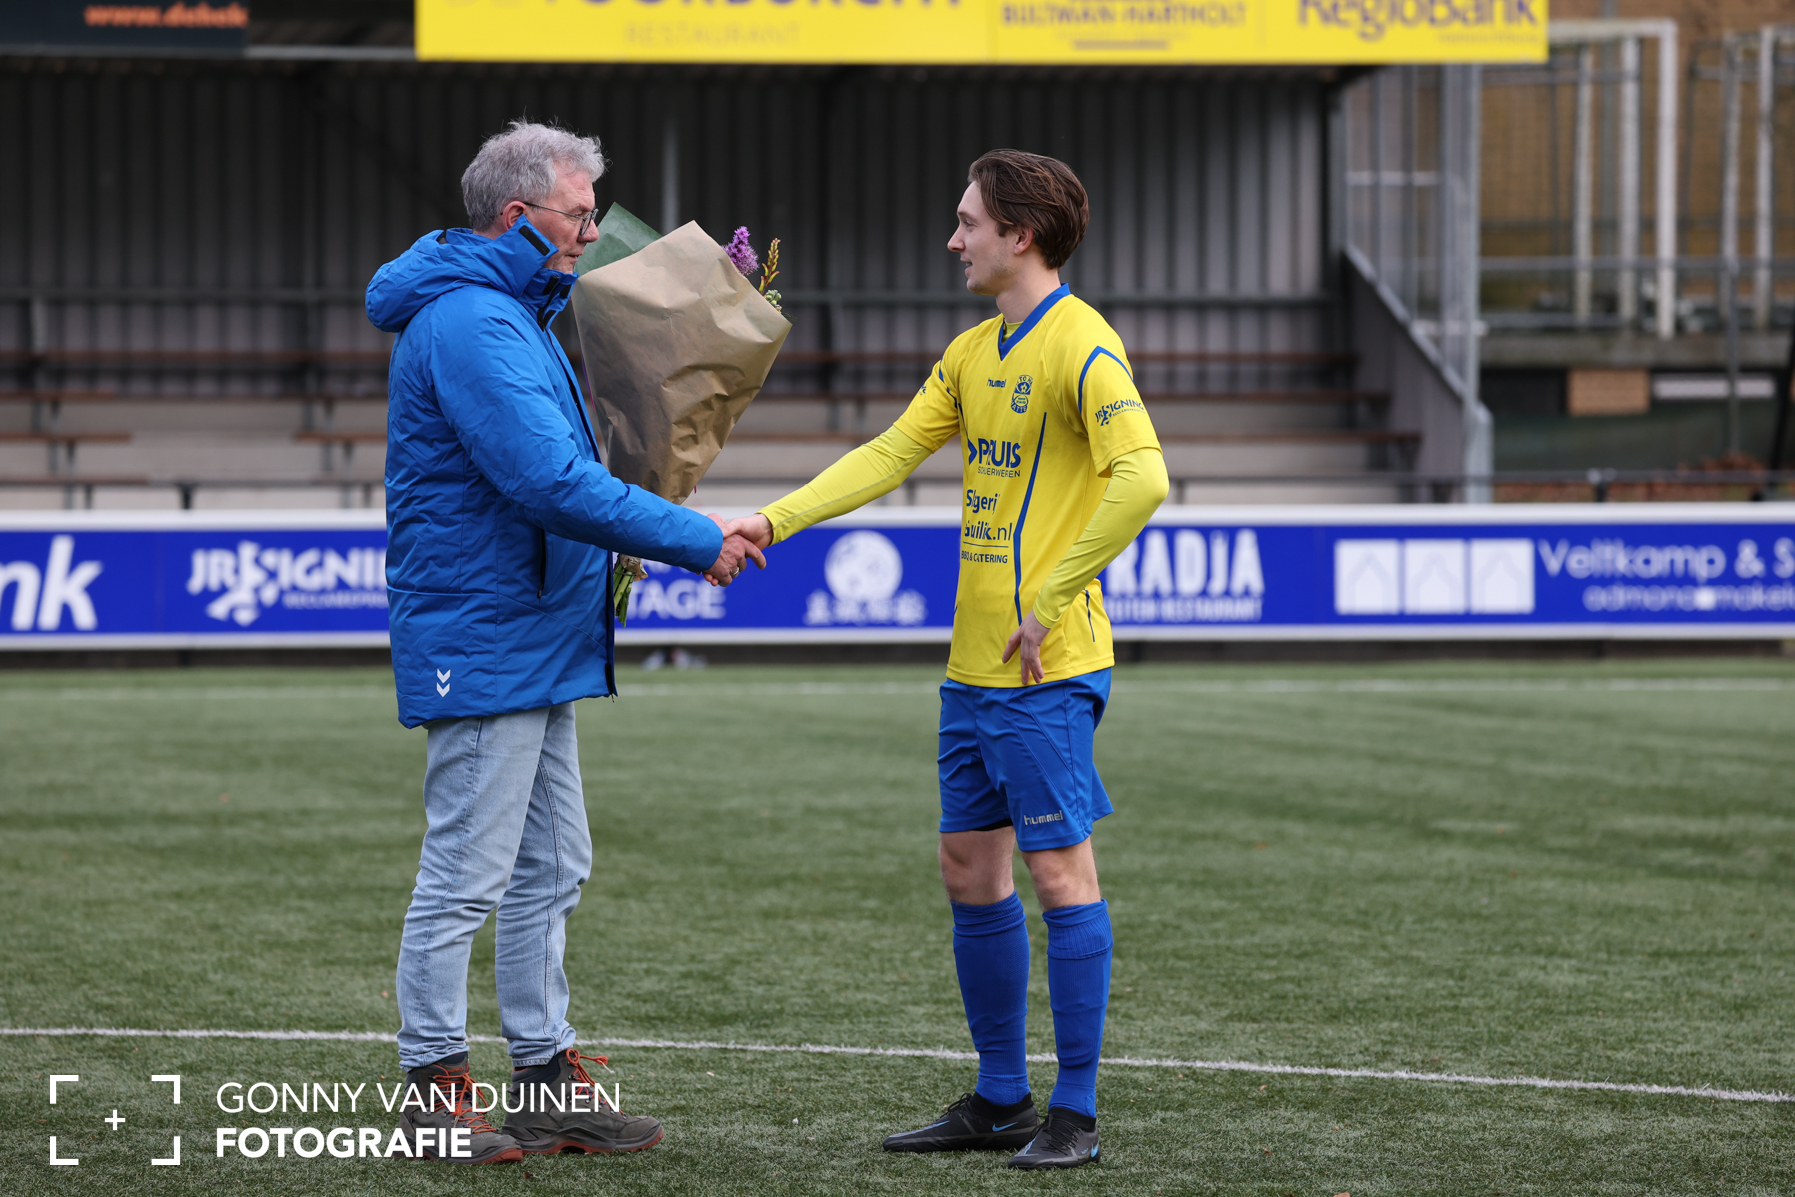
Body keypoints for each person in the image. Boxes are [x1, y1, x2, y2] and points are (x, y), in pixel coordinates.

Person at [726, 149, 1167, 1170]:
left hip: (1044, 671)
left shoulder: (1083, 347)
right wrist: (773, 522)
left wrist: (1051, 599)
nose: (953, 237)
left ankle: (1076, 1113)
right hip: (974, 669)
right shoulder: (973, 351)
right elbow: (887, 453)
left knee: (1060, 875)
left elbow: (1141, 478)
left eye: (967, 221)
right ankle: (1001, 1098)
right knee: (970, 868)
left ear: (1020, 234)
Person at [366, 119, 762, 1165]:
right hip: (488, 632)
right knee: (468, 872)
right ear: (517, 216)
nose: (594, 231)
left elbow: (560, 478)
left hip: (529, 630)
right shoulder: (474, 326)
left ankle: (544, 1081)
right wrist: (689, 537)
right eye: (581, 214)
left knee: (552, 867)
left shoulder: (513, 311)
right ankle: (430, 1093)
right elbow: (543, 481)